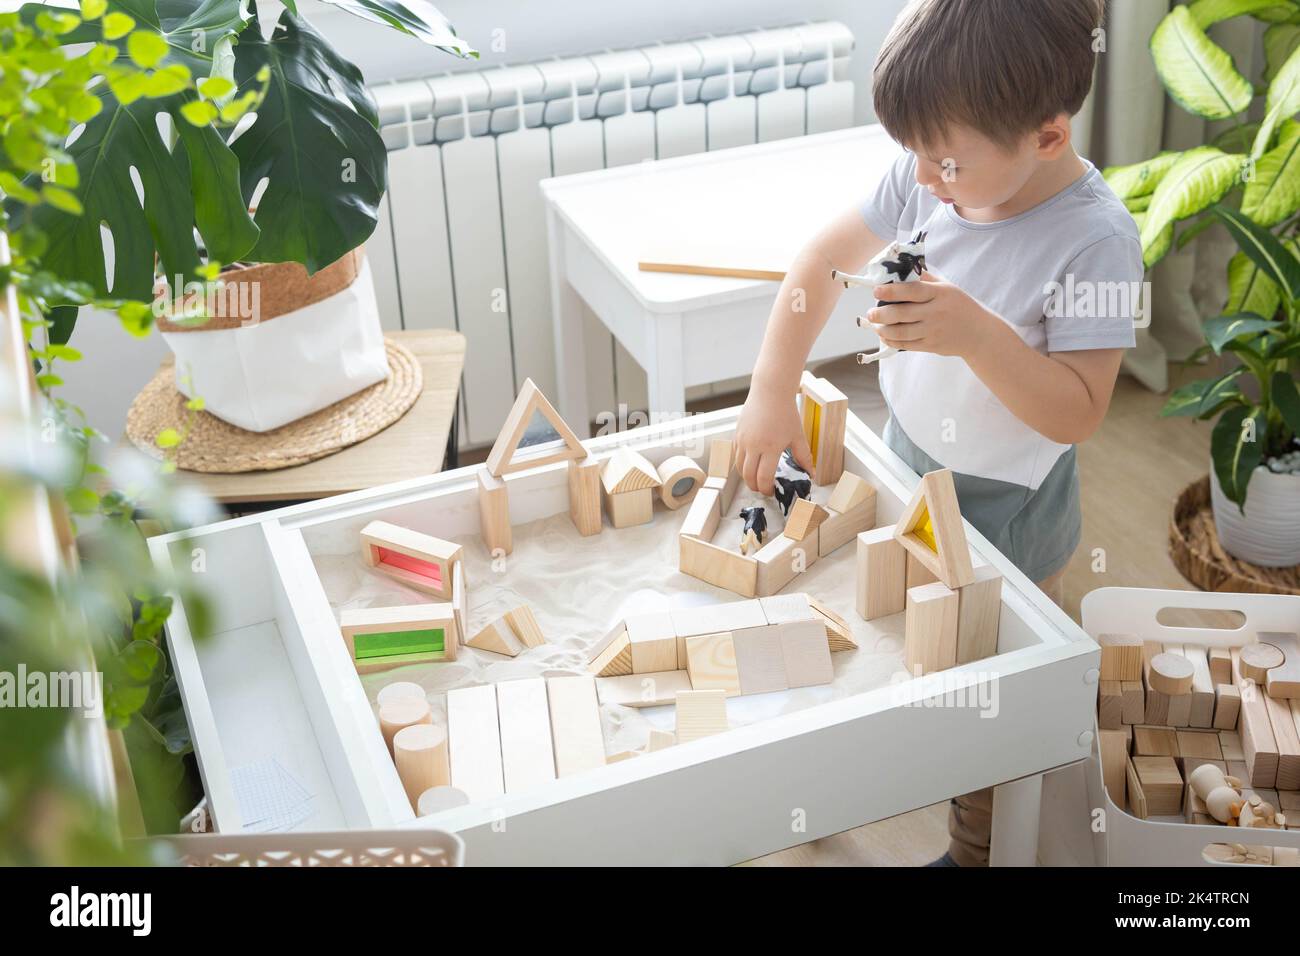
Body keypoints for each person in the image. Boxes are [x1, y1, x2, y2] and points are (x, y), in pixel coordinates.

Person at [732, 0, 1141, 866]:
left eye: (943, 160)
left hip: (1010, 506)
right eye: (913, 153)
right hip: (910, 455)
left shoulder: (1095, 240)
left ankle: (975, 846)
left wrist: (977, 333)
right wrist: (771, 388)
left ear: (1049, 135)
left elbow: (1080, 411)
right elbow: (818, 264)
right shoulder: (932, 173)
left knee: (988, 694)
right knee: (894, 634)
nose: (921, 179)